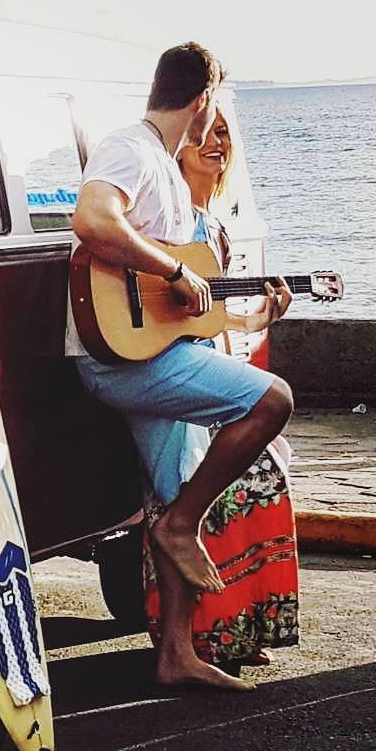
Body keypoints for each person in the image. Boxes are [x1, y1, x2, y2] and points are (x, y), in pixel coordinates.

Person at [69, 42, 294, 692]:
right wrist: (171, 268)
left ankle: (176, 653)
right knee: (272, 400)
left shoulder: (162, 165)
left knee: (175, 483)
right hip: (123, 362)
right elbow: (92, 218)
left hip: (156, 351)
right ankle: (180, 526)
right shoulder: (131, 149)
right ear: (202, 100)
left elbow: (180, 307)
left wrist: (248, 314)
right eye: (213, 105)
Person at [139, 108, 301, 671]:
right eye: (204, 133)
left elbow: (212, 325)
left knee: (262, 472)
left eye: (224, 134)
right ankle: (183, 646)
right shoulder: (161, 216)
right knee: (182, 493)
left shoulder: (216, 230)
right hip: (160, 364)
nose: (215, 143)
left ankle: (230, 631)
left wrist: (263, 320)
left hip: (201, 362)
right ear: (179, 144)